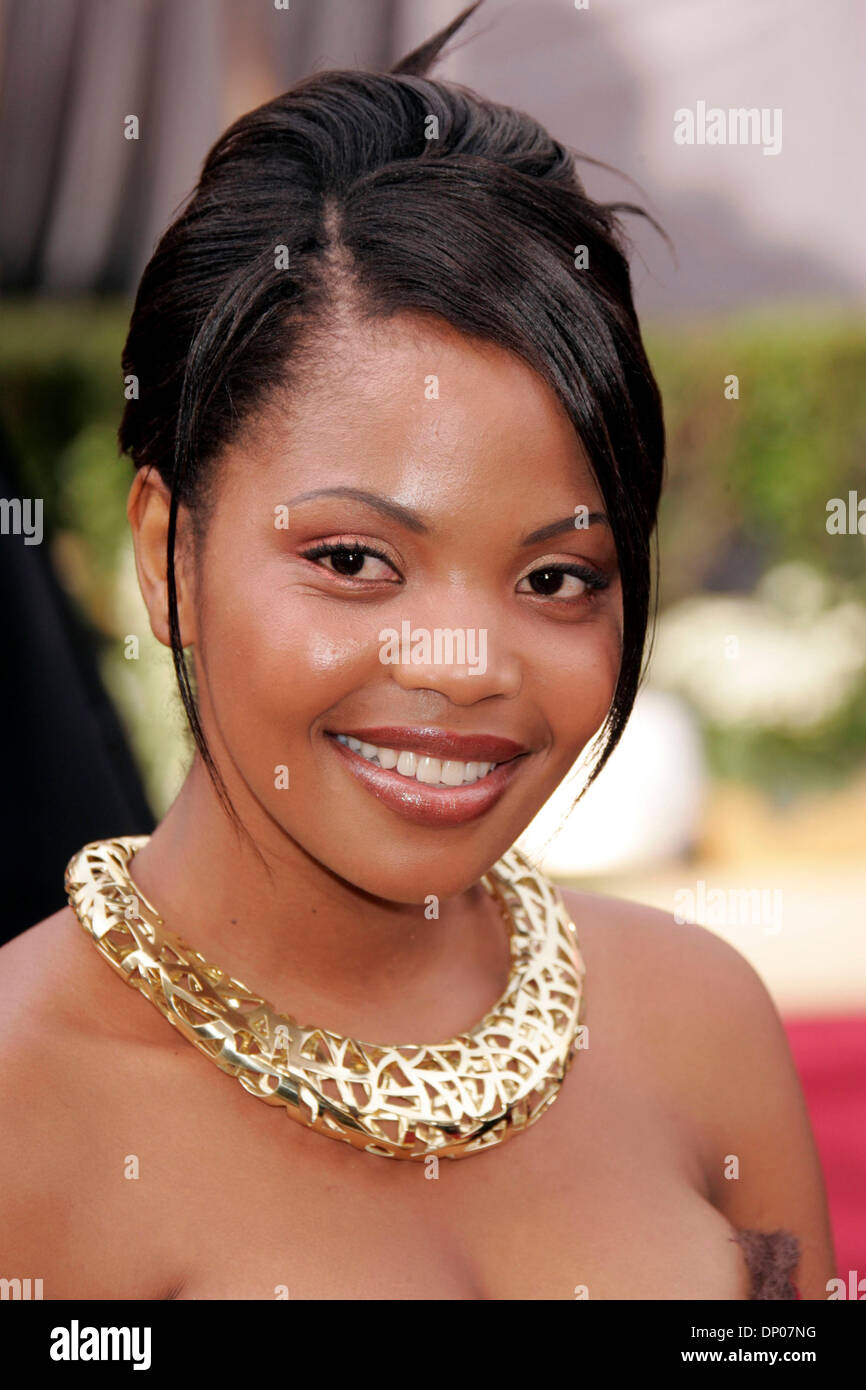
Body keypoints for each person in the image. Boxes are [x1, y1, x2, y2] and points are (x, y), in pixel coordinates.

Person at [0, 1, 835, 1300]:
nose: (460, 660)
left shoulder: (699, 1020)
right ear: (166, 551)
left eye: (556, 575)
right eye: (351, 561)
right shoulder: (22, 1101)